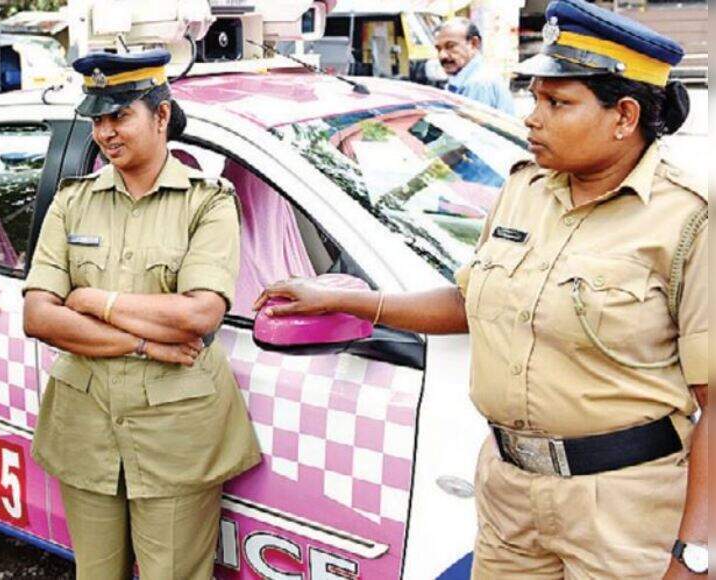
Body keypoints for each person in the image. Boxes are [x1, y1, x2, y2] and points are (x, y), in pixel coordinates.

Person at [256, 0, 707, 577]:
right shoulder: (525, 189)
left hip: (624, 508)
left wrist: (694, 554)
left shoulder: (689, 217)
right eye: (534, 98)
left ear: (623, 115)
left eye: (557, 103)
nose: (531, 118)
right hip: (509, 496)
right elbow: (469, 302)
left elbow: (713, 401)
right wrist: (349, 299)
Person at [22, 49, 260, 578]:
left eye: (120, 115)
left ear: (161, 115)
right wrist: (144, 342)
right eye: (98, 119)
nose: (106, 132)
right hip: (86, 430)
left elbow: (199, 314)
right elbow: (39, 317)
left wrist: (93, 301)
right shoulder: (72, 202)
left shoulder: (208, 201)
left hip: (177, 432)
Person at [435, 17, 516, 115]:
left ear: (474, 43)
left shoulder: (477, 84)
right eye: (438, 49)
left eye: (450, 46)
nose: (442, 55)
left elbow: (471, 129)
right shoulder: (470, 78)